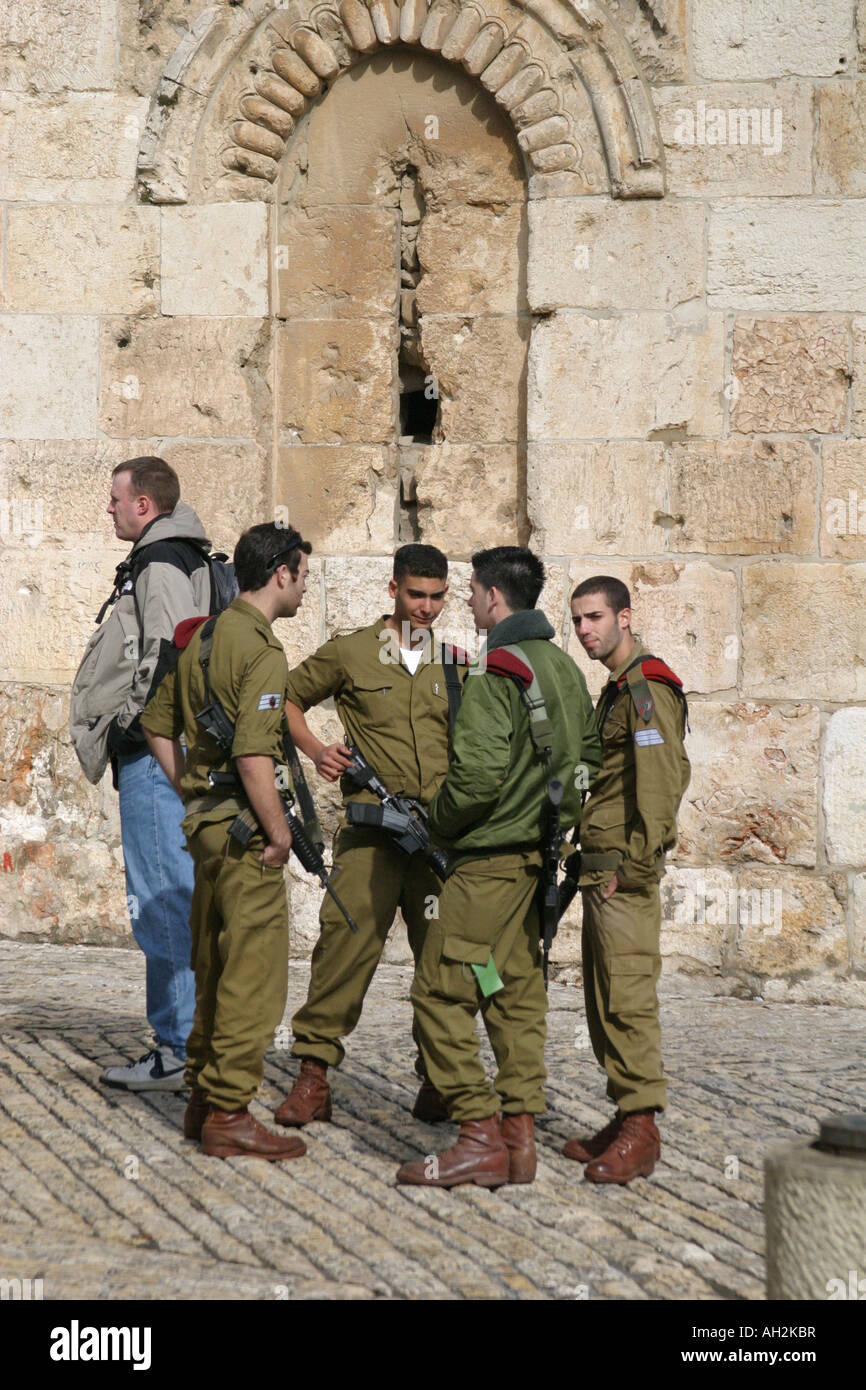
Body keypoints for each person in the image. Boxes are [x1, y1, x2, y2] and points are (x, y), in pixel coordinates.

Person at [396, 546, 600, 1189]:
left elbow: (477, 778)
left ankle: (479, 1133)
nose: (470, 604)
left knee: (439, 991)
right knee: (509, 992)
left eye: (473, 593)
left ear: (491, 597)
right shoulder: (563, 668)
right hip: (535, 865)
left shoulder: (496, 669)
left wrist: (437, 819)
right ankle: (519, 1136)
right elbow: (588, 757)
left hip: (484, 868)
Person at [273, 544, 469, 1129]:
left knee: (445, 958)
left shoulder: (457, 662)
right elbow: (284, 697)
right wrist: (315, 749)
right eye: (416, 595)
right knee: (345, 945)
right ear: (393, 589)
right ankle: (313, 1076)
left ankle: (439, 1077)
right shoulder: (352, 652)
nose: (427, 608)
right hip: (372, 831)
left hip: (436, 836)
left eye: (437, 597)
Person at [140, 521, 311, 1160]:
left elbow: (155, 724)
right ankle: (231, 1112)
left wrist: (190, 790)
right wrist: (279, 833)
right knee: (253, 975)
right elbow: (252, 755)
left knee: (213, 962)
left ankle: (200, 1098)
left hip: (206, 829)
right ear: (281, 573)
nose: (302, 588)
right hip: (244, 836)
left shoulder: (204, 636)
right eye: (301, 576)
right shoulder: (263, 651)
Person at [70, 458, 213, 1091]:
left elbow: (171, 652)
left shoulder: (160, 564)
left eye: (115, 498)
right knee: (174, 895)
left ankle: (178, 1048)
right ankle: (195, 1040)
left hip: (158, 756)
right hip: (166, 749)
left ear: (144, 506)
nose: (109, 508)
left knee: (161, 899)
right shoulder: (177, 555)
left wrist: (134, 728)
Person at [563, 576, 690, 1184]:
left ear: (625, 617)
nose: (585, 629)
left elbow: (661, 786)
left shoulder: (646, 690)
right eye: (578, 620)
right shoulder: (616, 689)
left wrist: (635, 871)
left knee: (629, 996)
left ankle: (642, 1131)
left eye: (594, 617)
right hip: (601, 868)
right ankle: (624, 1114)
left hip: (622, 875)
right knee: (604, 998)